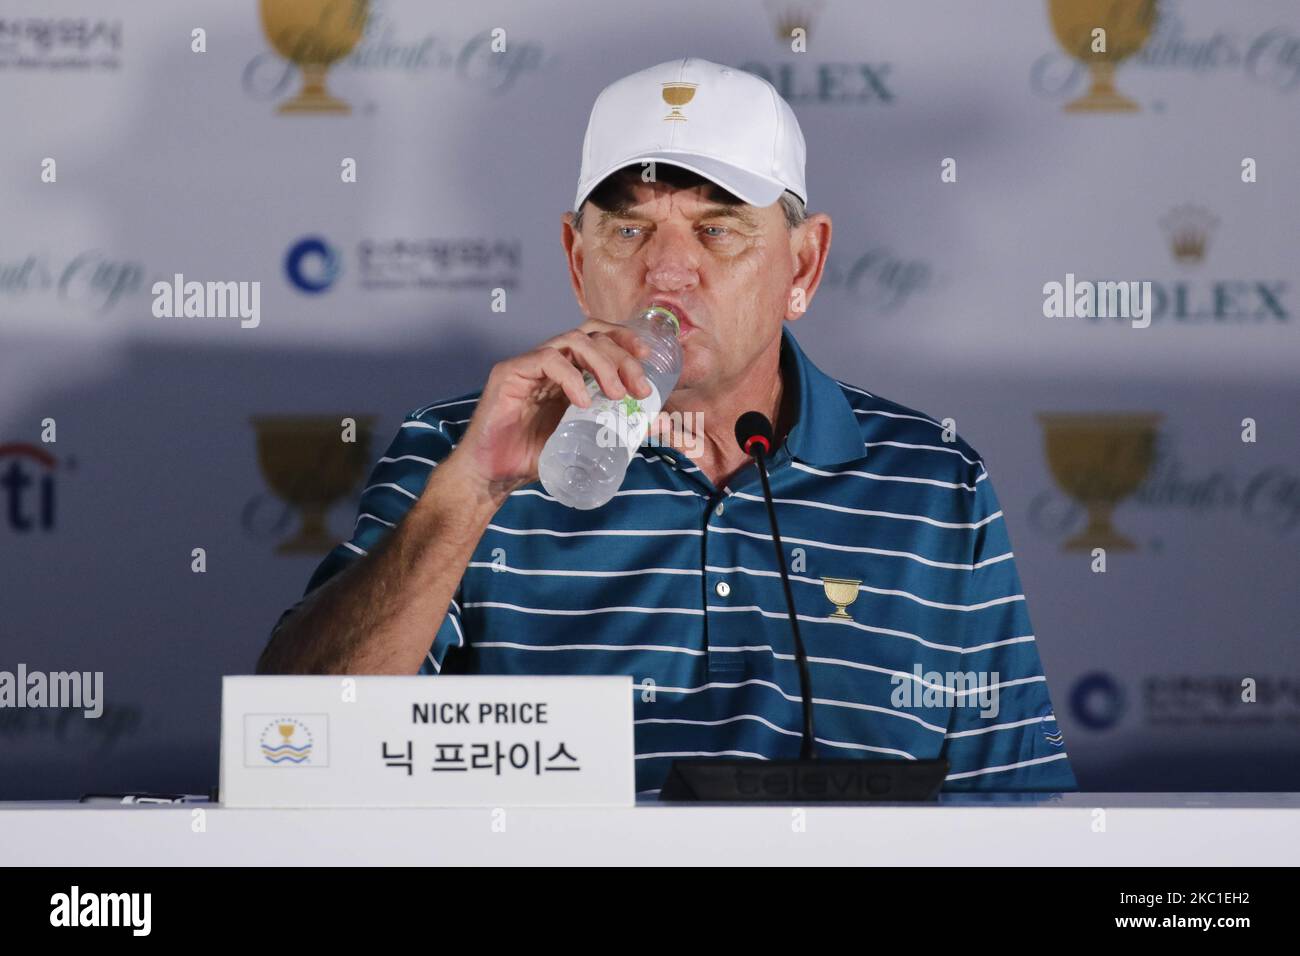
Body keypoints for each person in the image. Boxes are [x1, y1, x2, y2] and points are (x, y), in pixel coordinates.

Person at [259, 57, 1078, 796]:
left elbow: (1018, 806)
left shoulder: (932, 481)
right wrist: (472, 493)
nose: (667, 269)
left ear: (803, 265)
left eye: (717, 230)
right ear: (579, 264)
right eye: (628, 230)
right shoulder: (459, 448)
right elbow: (296, 752)